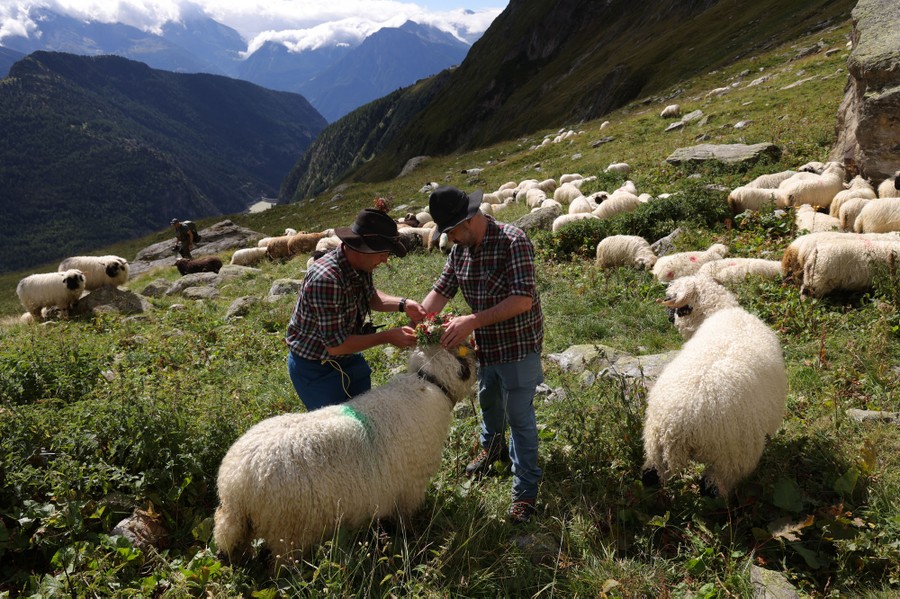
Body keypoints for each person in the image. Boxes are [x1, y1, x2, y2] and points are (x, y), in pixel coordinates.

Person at [419, 186, 544, 524]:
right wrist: (420, 320)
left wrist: (472, 320)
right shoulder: (459, 252)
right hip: (487, 347)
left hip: (517, 346)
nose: (450, 238)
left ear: (469, 220)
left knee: (519, 416)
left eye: (452, 231)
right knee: (489, 399)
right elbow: (440, 292)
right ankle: (493, 450)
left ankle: (525, 491)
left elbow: (522, 300)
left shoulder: (513, 242)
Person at [285, 207, 427, 411]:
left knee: (364, 417)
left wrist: (404, 304)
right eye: (383, 253)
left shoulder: (359, 264)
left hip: (347, 357)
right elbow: (335, 345)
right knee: (336, 426)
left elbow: (371, 296)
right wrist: (387, 336)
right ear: (362, 248)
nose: (385, 260)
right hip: (317, 368)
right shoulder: (326, 280)